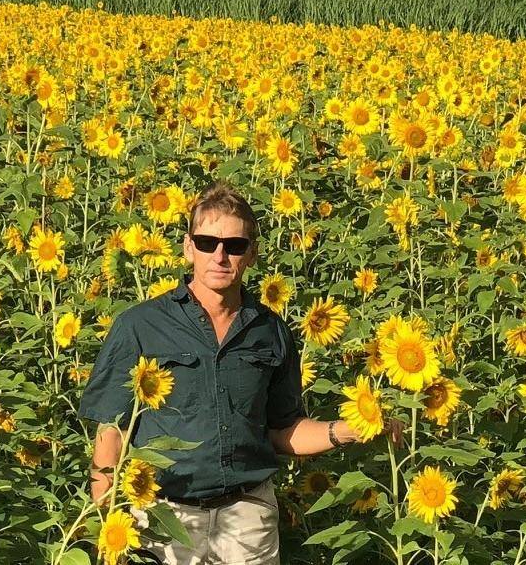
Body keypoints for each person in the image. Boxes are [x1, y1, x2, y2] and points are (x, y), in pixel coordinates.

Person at [77, 181, 404, 564]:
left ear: (252, 254)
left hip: (248, 515)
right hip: (163, 516)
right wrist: (106, 518)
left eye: (234, 246)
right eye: (206, 243)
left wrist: (349, 429)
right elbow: (110, 429)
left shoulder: (270, 330)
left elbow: (283, 430)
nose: (219, 256)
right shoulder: (142, 325)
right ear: (188, 247)